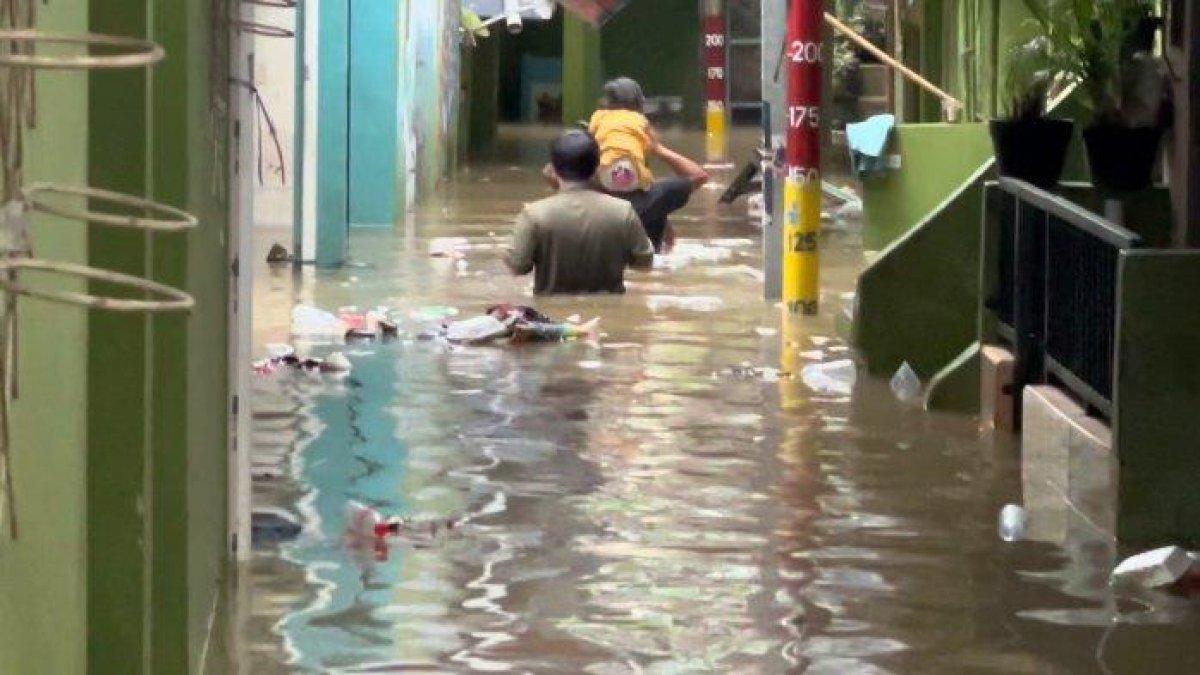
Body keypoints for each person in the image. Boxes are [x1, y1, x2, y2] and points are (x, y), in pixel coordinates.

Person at [507, 130, 655, 295]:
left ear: (552, 169)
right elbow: (644, 264)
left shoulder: (534, 214)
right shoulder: (623, 211)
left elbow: (517, 267)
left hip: (549, 316)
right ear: (598, 167)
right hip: (607, 313)